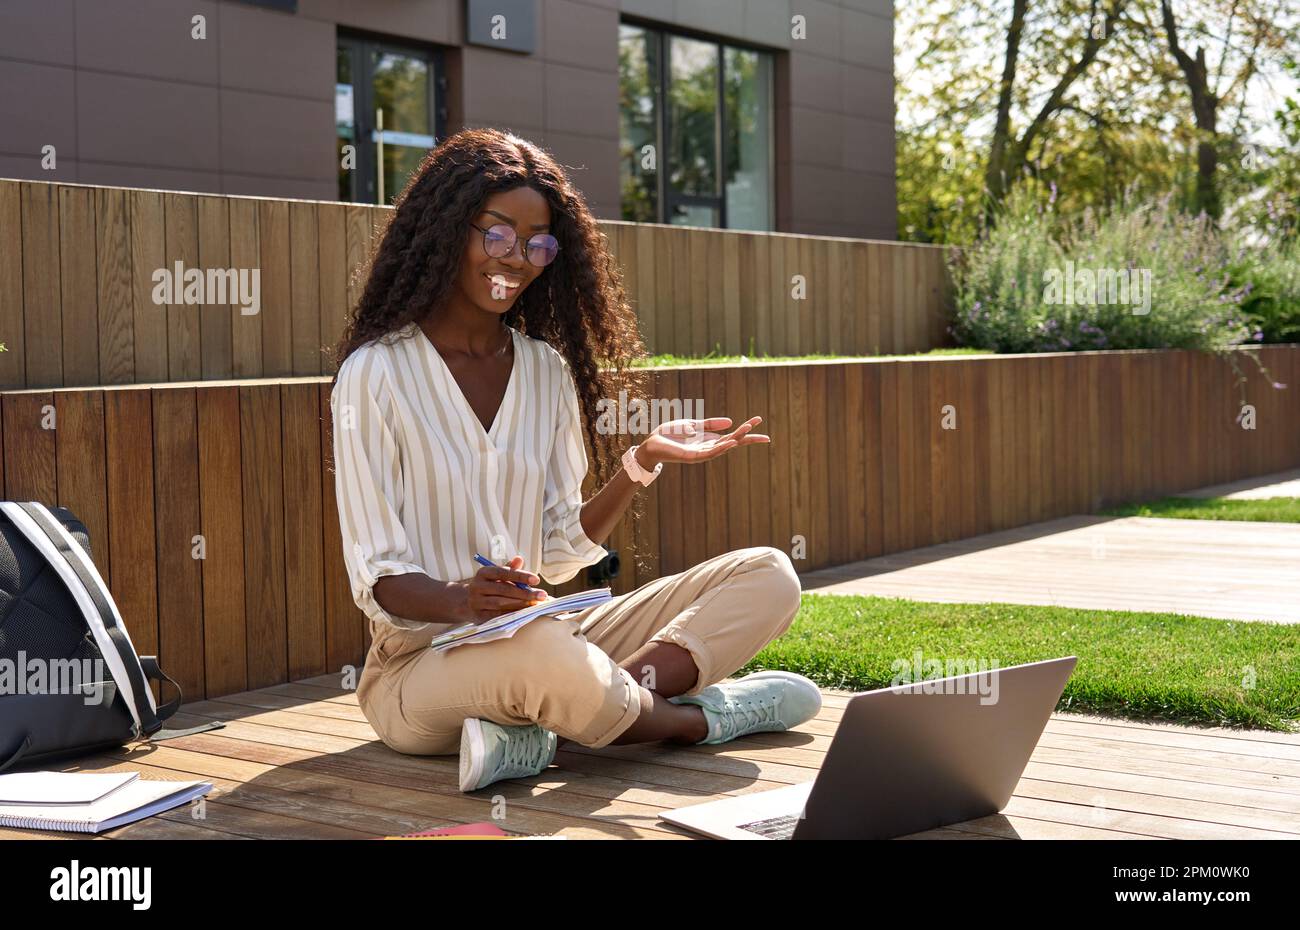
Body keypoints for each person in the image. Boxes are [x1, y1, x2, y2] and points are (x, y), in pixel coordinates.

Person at [328, 128, 820, 793]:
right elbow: (377, 576)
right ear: (447, 228)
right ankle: (693, 721)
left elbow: (559, 553)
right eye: (497, 234)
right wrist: (462, 601)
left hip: (550, 632)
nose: (517, 258)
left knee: (770, 574)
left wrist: (639, 464)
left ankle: (558, 724)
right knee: (545, 655)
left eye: (538, 243)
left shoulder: (544, 371)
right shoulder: (375, 375)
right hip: (421, 667)